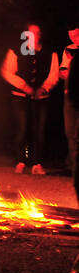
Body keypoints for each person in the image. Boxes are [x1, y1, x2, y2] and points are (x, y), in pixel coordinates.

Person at [0, 23, 58, 174]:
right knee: (21, 129)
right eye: (31, 33)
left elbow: (54, 74)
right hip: (20, 97)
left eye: (37, 33)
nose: (34, 36)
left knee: (39, 130)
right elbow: (7, 72)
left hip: (42, 97)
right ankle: (20, 160)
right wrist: (23, 86)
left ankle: (37, 163)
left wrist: (44, 88)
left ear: (40, 35)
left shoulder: (50, 52)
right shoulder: (15, 51)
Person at [59, 21, 79, 173]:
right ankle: (74, 166)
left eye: (77, 35)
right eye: (71, 36)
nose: (74, 39)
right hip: (71, 95)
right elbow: (63, 72)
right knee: (70, 131)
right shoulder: (69, 49)